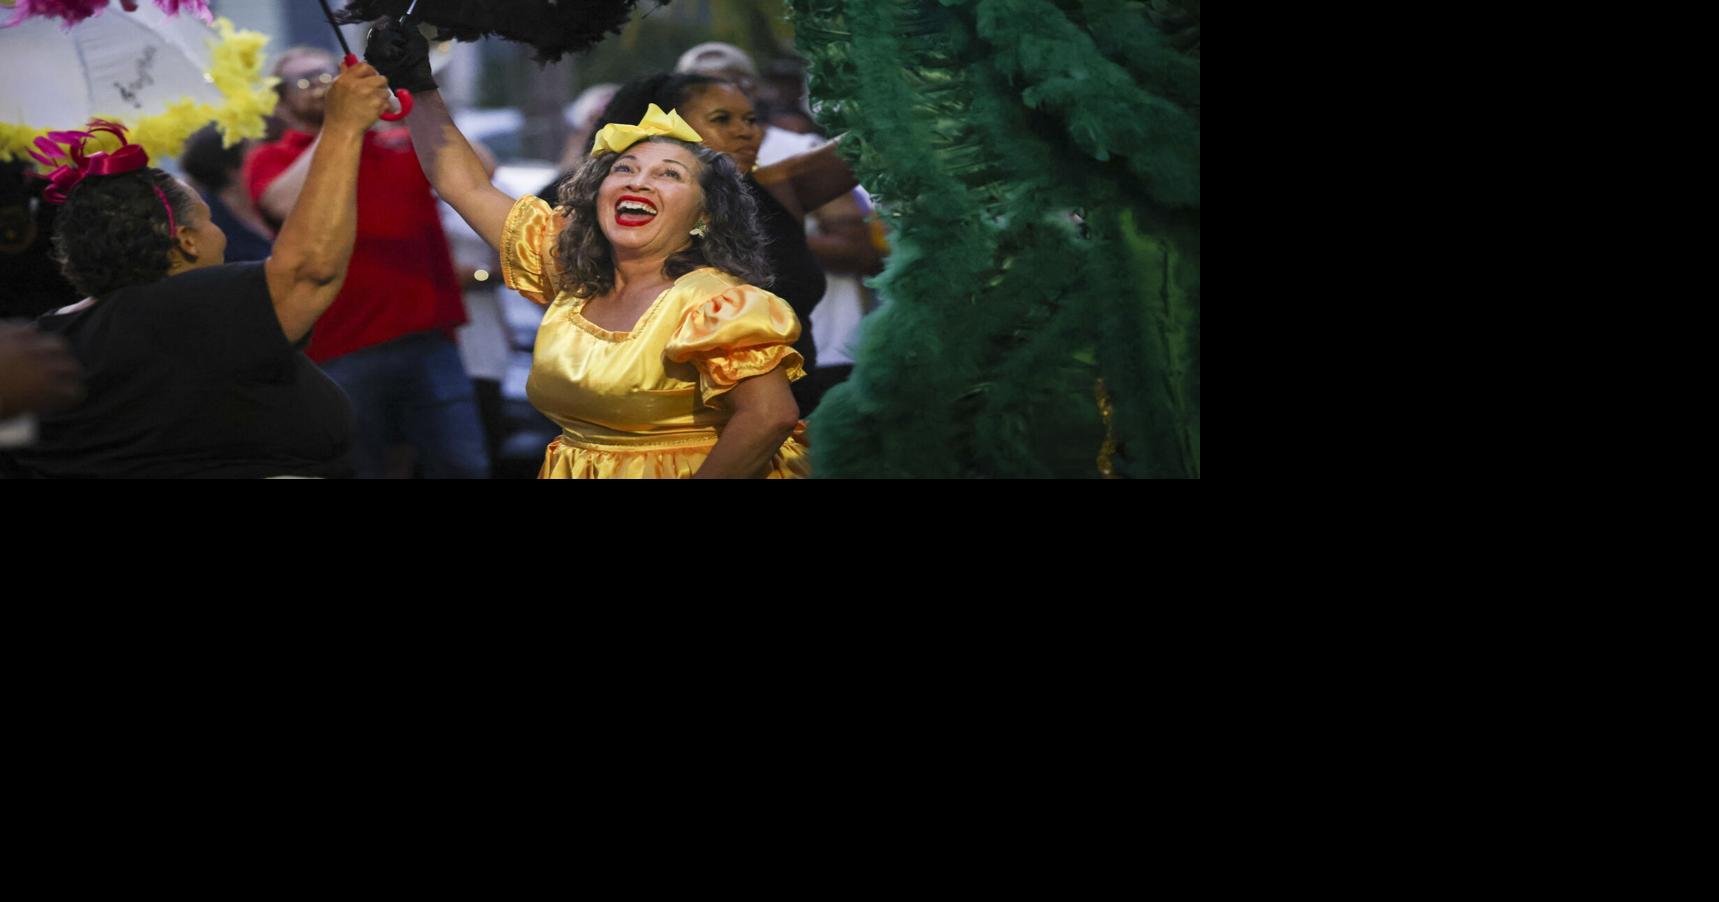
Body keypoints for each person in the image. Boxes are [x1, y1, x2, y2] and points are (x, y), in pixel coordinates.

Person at [367, 22, 806, 478]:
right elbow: (466, 186)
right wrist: (417, 84)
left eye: (669, 174)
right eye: (625, 168)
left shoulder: (718, 305)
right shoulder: (571, 275)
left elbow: (769, 416)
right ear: (597, 194)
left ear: (705, 215)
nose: (639, 182)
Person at [5, 62, 392, 478]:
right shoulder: (193, 306)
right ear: (186, 240)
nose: (218, 233)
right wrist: (343, 127)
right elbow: (311, 269)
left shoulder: (38, 346)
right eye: (209, 219)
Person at [247, 47, 489, 478]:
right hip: (339, 346)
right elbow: (281, 203)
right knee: (361, 470)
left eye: (327, 75)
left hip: (429, 338)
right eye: (304, 81)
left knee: (463, 466)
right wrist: (343, 124)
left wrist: (414, 99)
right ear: (280, 104)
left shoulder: (397, 143)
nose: (321, 86)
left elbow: (481, 170)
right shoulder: (271, 158)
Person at [600, 72, 871, 414]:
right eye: (721, 119)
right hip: (690, 429)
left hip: (796, 418)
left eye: (751, 119)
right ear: (667, 129)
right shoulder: (626, 213)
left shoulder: (777, 189)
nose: (746, 132)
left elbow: (876, 140)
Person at [179, 126, 273, 264]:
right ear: (232, 171)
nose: (268, 154)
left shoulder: (268, 199)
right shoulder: (211, 233)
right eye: (256, 153)